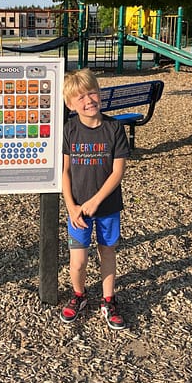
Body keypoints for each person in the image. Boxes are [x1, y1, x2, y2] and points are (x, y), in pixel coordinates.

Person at [60, 69, 130, 330]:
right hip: (77, 210)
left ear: (99, 94)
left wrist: (96, 201)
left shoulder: (114, 129)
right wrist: (72, 205)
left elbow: (118, 171)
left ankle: (109, 299)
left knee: (107, 252)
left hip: (108, 207)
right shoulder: (69, 130)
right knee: (78, 261)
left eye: (92, 93)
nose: (88, 100)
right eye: (80, 97)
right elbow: (65, 171)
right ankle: (79, 295)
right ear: (70, 104)